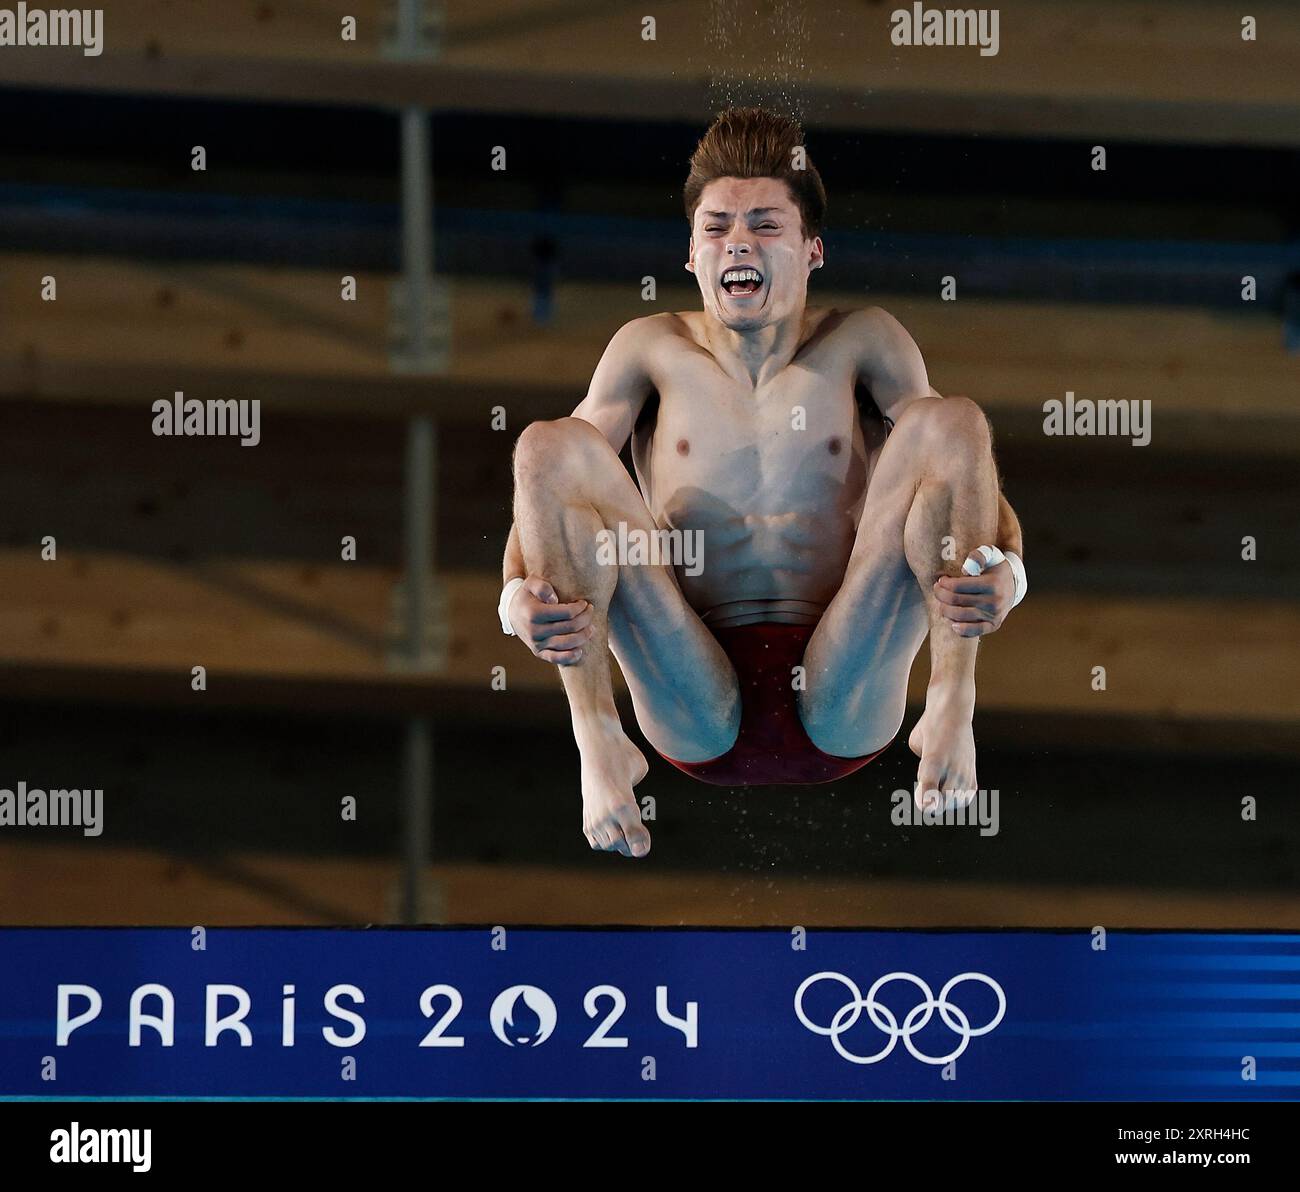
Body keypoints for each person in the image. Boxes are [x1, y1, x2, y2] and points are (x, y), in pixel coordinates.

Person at [499, 107, 1027, 858]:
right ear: (690, 255)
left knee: (952, 420)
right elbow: (544, 488)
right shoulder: (649, 349)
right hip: (687, 681)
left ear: (813, 250)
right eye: (716, 227)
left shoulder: (863, 340)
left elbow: (965, 464)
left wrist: (1010, 571)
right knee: (547, 443)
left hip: (847, 674)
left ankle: (951, 700)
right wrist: (513, 597)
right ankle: (598, 740)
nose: (737, 240)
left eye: (764, 224)